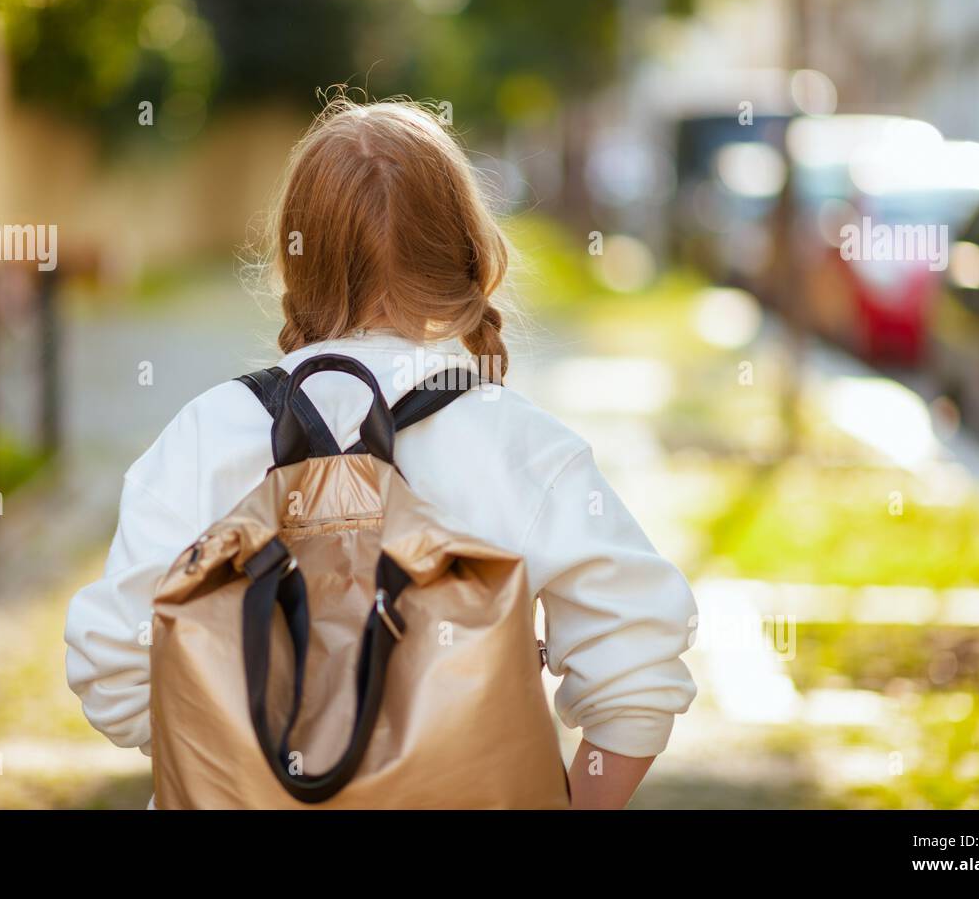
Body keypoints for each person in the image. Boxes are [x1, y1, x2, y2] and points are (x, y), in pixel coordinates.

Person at [64, 94, 698, 809]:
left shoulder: (204, 435)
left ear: (293, 256)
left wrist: (238, 761)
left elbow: (112, 663)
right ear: (467, 253)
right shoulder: (524, 446)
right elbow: (639, 666)